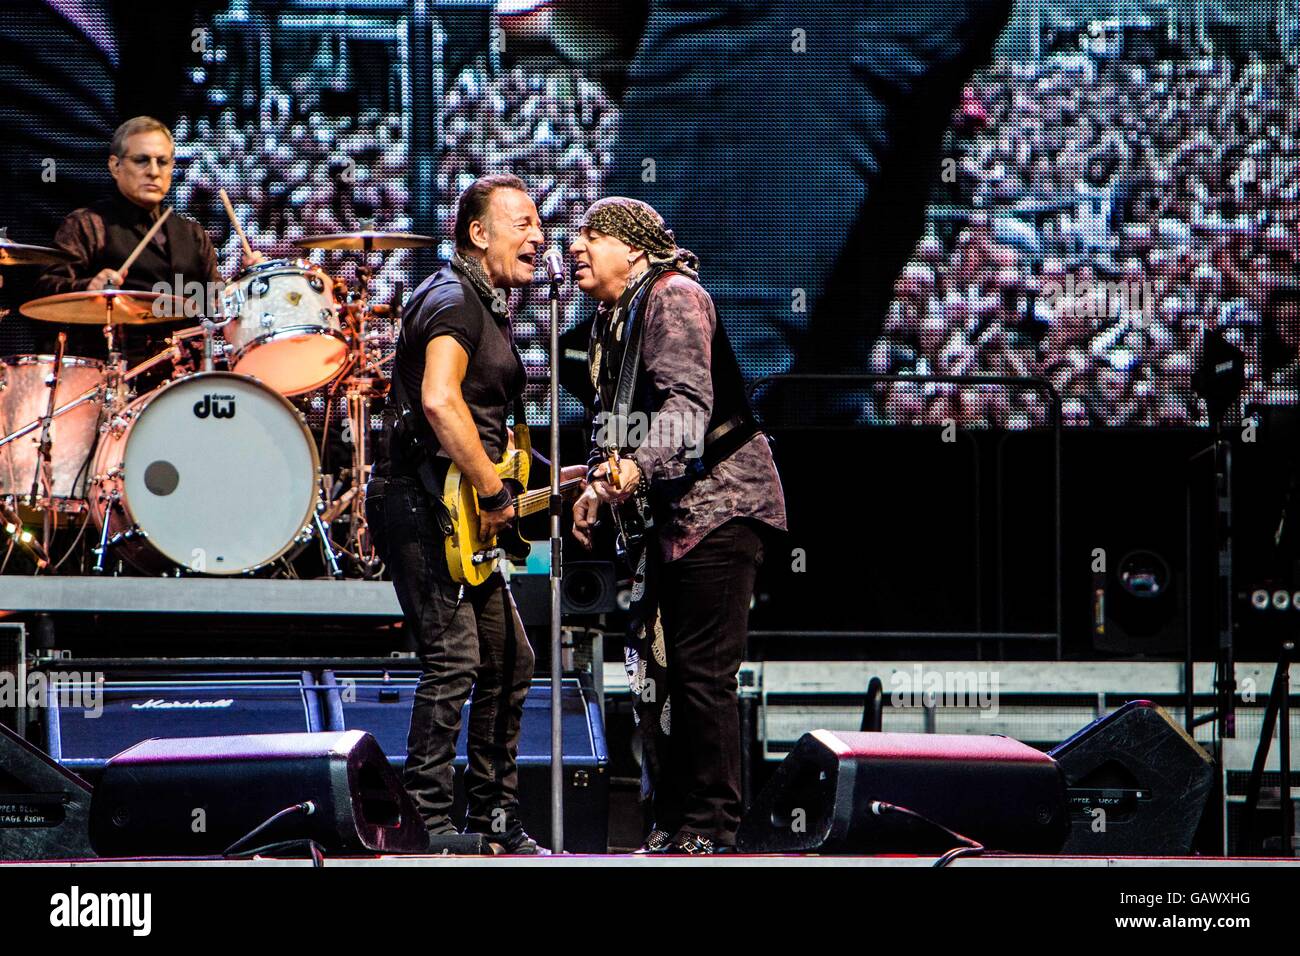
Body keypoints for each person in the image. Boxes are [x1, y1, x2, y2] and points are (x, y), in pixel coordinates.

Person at [367, 173, 581, 853]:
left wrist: (560, 481)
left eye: (539, 223)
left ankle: (493, 821)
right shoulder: (454, 298)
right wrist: (493, 493)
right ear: (476, 232)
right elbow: (438, 400)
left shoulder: (488, 305)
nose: (539, 236)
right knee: (455, 657)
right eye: (522, 222)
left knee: (510, 660)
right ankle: (422, 824)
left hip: (461, 506)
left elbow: (488, 429)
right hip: (423, 502)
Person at [569, 197, 787, 853]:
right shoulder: (614, 320)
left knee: (699, 672)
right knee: (656, 677)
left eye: (592, 235)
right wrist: (596, 486)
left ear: (633, 249)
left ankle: (714, 825)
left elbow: (687, 408)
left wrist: (634, 470)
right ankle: (670, 822)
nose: (575, 246)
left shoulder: (673, 296)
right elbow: (619, 425)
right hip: (670, 520)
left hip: (720, 506)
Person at [35, 115, 261, 361]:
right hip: (110, 373)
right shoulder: (88, 225)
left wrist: (246, 282)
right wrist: (86, 288)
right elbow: (45, 290)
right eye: (141, 160)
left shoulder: (192, 233)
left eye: (162, 162)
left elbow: (216, 307)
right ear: (115, 165)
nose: (154, 172)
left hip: (182, 375)